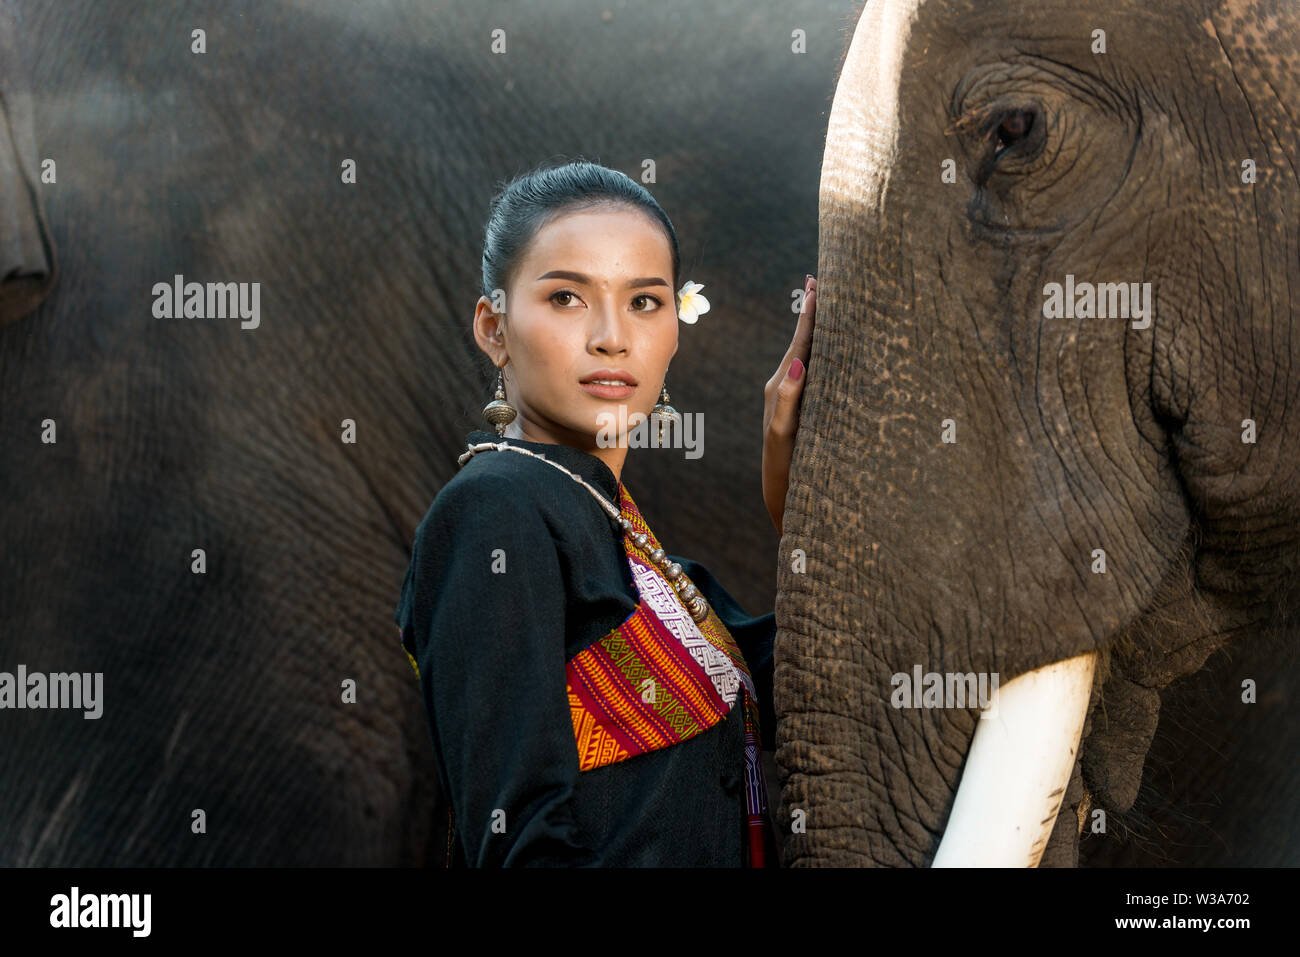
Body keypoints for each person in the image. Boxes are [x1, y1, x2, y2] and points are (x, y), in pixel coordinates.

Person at [393, 158, 816, 866]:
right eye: (567, 298)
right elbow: (522, 846)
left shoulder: (655, 566)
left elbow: (819, 682)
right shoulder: (493, 512)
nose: (611, 336)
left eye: (645, 302)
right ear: (493, 328)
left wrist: (796, 500)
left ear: (675, 333)